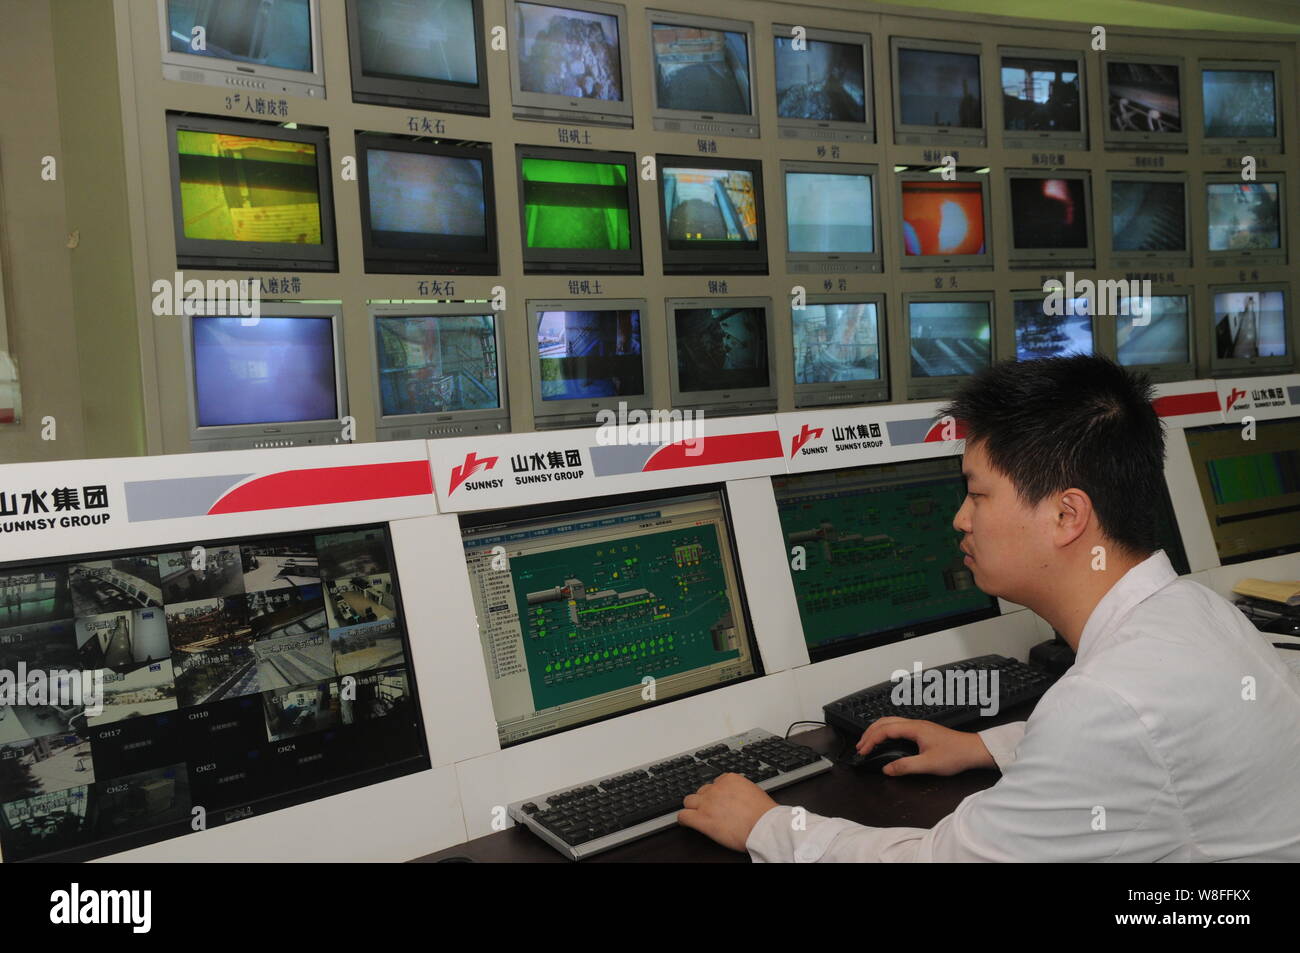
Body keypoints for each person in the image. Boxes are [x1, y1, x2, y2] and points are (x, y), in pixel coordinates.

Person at [677, 354, 1300, 861]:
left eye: (977, 494)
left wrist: (768, 825)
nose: (960, 518)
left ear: (1066, 515)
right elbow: (1146, 748)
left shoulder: (1107, 704)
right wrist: (987, 748)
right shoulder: (1198, 613)